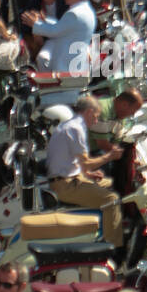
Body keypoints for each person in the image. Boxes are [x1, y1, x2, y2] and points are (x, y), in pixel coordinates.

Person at [45, 94, 124, 247]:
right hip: (66, 185)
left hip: (69, 178)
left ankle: (104, 227)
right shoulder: (75, 129)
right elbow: (86, 163)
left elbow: (76, 162)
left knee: (111, 183)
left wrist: (88, 174)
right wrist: (110, 156)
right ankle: (112, 248)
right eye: (95, 116)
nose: (96, 121)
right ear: (88, 112)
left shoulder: (70, 125)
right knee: (112, 199)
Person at [21, 0, 97, 75]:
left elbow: (55, 31)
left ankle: (50, 85)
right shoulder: (85, 8)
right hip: (63, 46)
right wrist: (43, 20)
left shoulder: (74, 13)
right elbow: (61, 26)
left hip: (70, 60)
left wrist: (35, 24)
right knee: (42, 58)